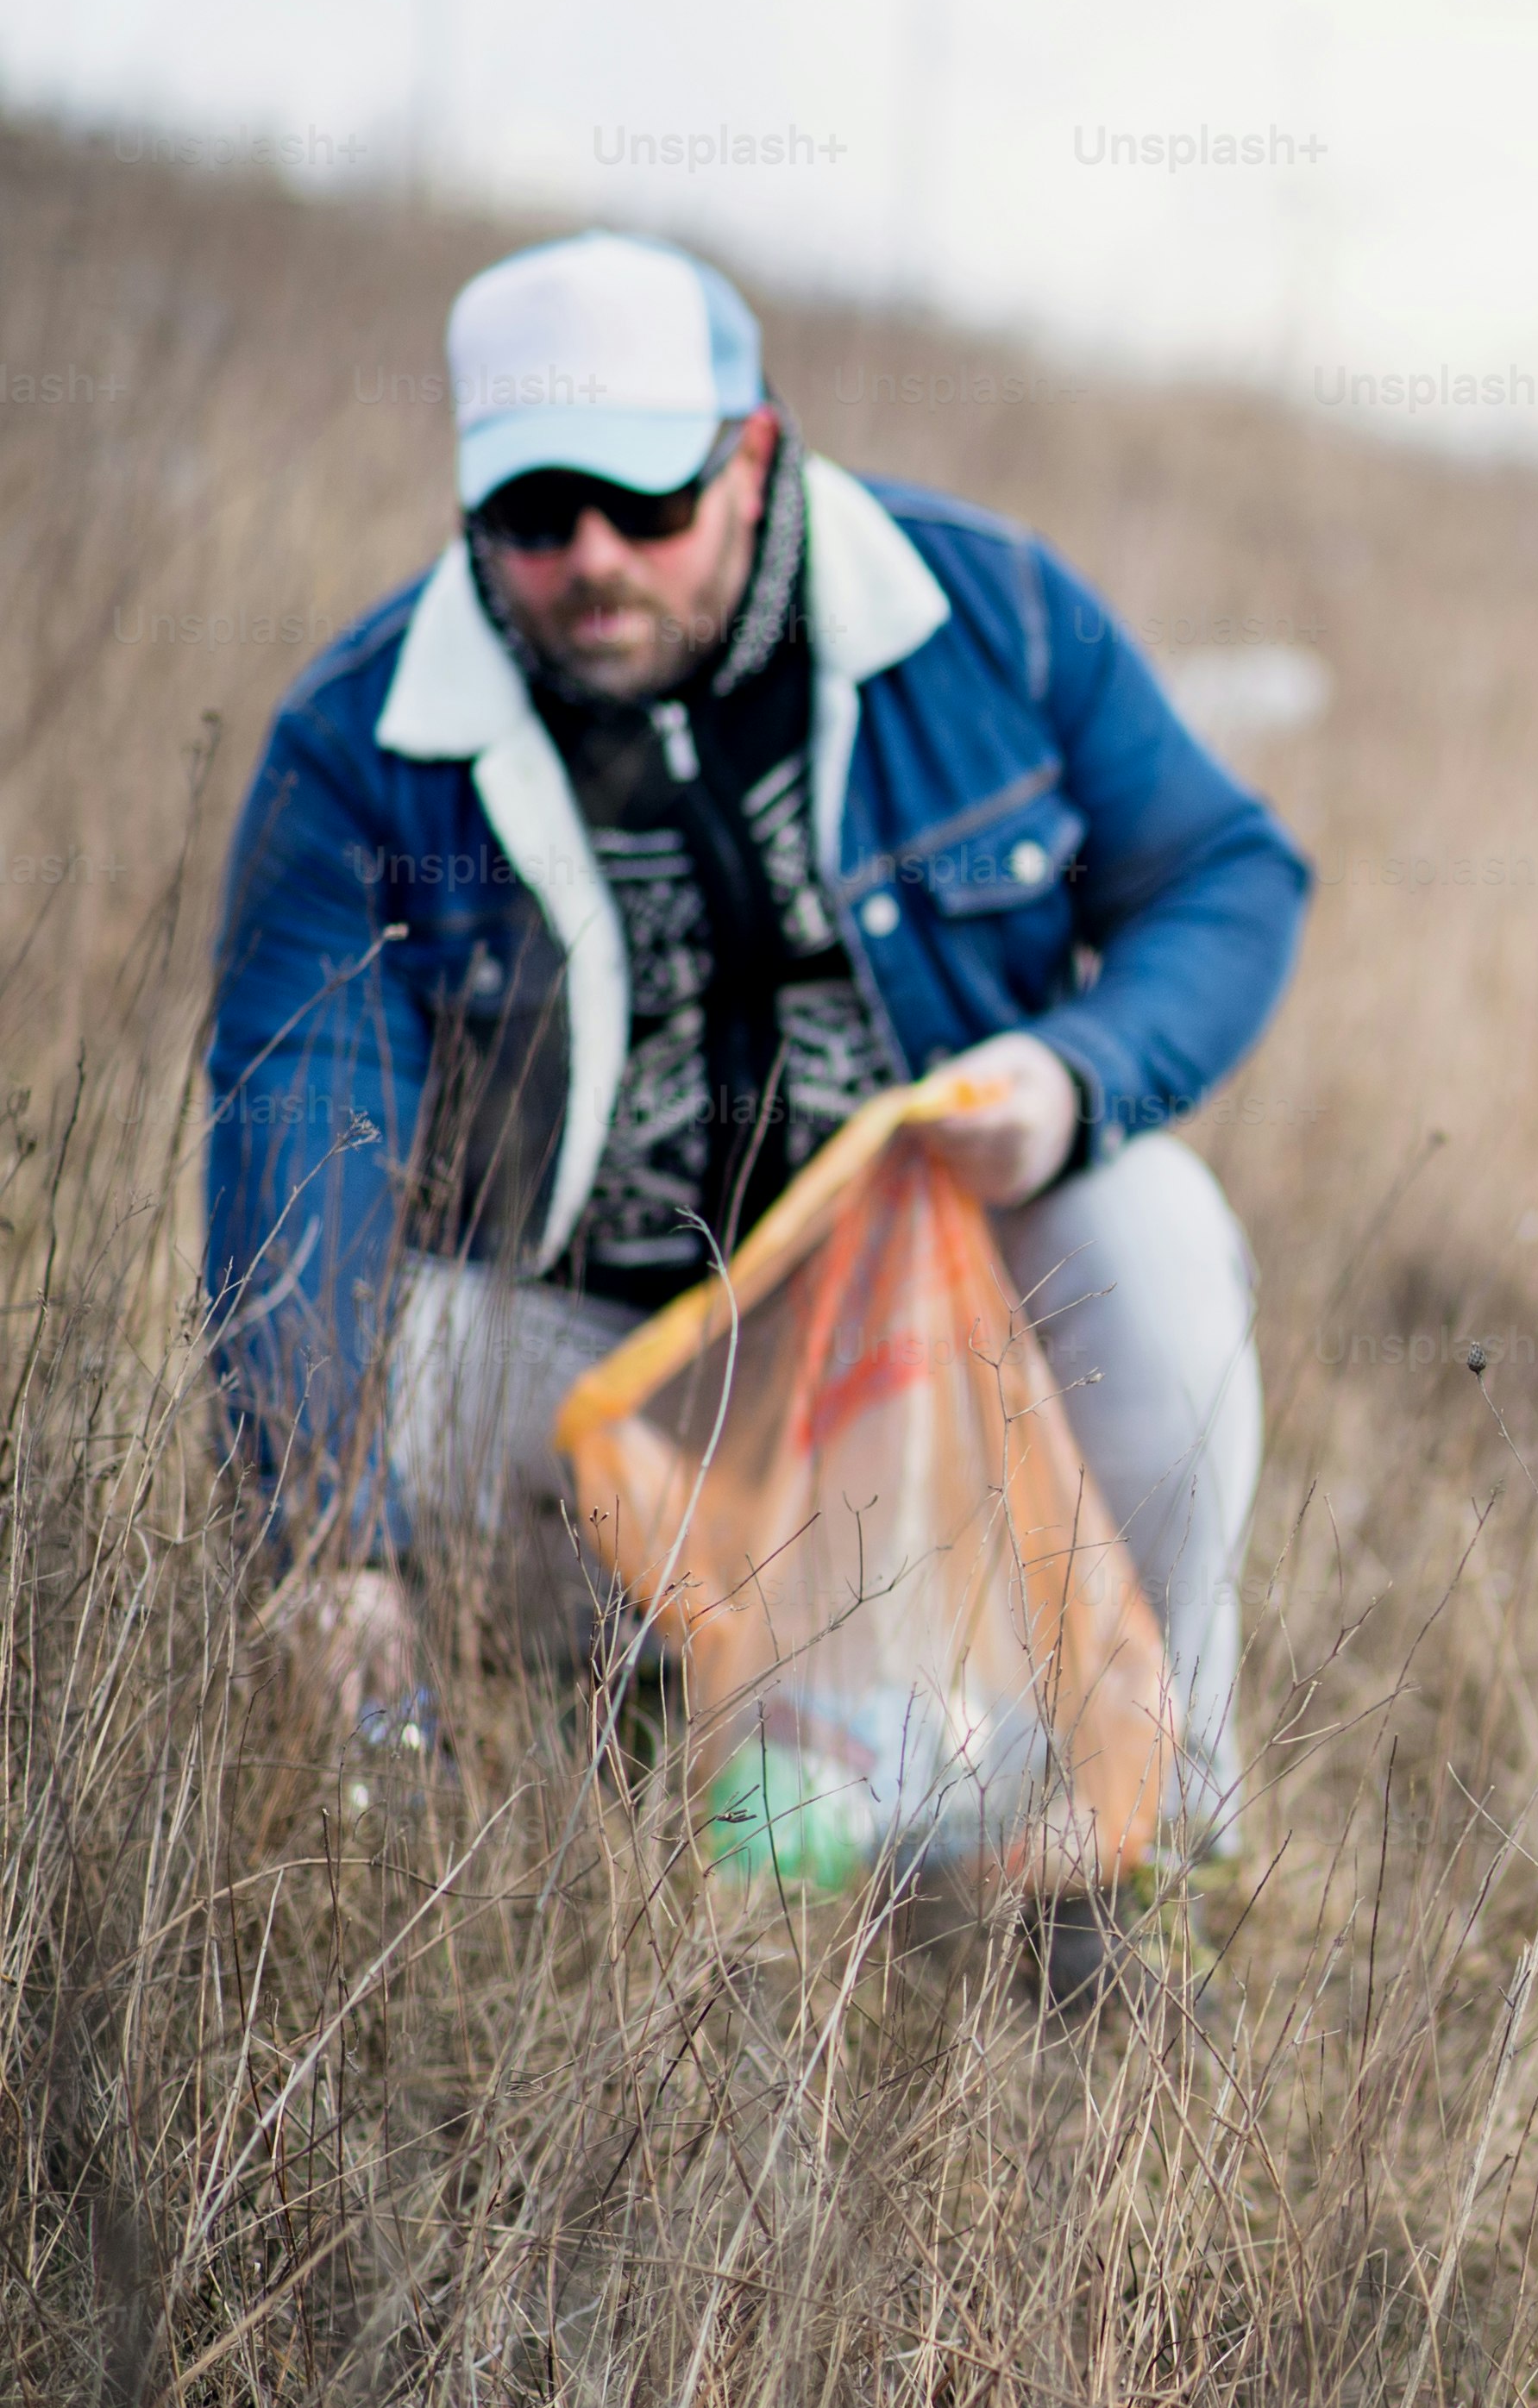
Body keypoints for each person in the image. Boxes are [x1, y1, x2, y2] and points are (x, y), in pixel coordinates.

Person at [205, 231, 1307, 1975]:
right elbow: (291, 1112)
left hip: (929, 1332)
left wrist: (1071, 1077)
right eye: (533, 514)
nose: (590, 564)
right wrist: (328, 1538)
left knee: (1151, 1231)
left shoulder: (989, 616)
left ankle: (1128, 1849)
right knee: (374, 1359)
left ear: (754, 454)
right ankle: (594, 1745)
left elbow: (1227, 876)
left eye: (643, 504)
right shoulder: (362, 743)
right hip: (591, 1364)